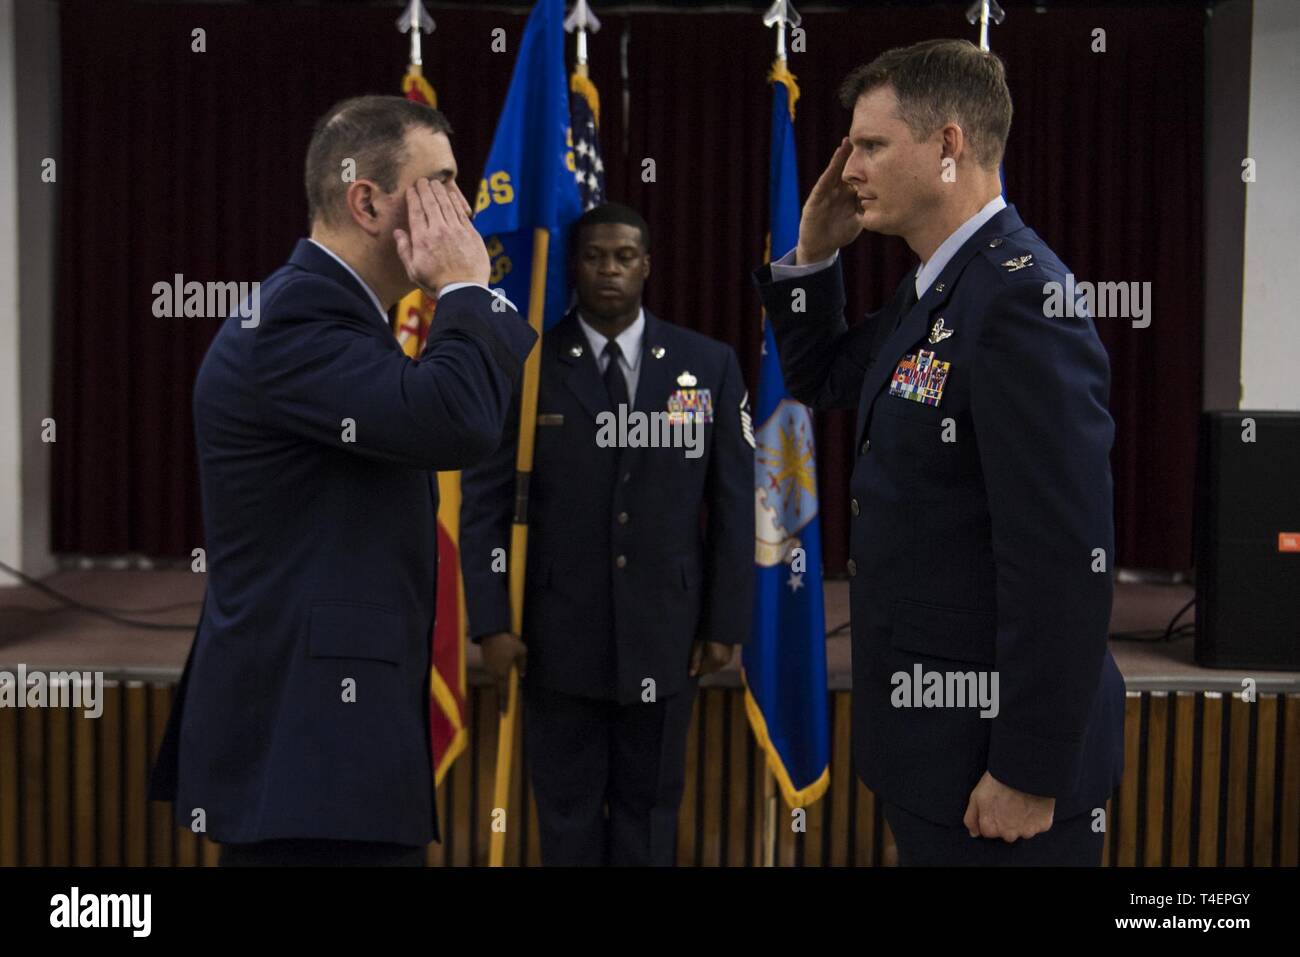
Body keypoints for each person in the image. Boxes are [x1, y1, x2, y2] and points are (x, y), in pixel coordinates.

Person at [755, 39, 1125, 865]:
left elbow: (1065, 558)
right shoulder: (941, 284)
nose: (848, 166)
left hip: (998, 769)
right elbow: (820, 376)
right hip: (931, 750)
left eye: (872, 145)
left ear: (949, 145)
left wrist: (1029, 769)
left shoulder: (1022, 301)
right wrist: (814, 254)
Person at [148, 95, 537, 866]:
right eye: (442, 185)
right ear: (367, 200)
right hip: (309, 749)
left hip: (330, 748)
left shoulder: (341, 318)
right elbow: (455, 420)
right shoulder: (298, 321)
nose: (462, 211)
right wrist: (462, 286)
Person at [459, 203, 755, 866]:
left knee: (649, 819)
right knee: (565, 818)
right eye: (595, 256)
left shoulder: (705, 366)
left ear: (647, 264)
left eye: (625, 256)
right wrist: (490, 619)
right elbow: (484, 502)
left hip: (667, 637)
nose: (610, 270)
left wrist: (723, 622)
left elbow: (735, 506)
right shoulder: (528, 368)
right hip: (555, 639)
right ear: (575, 265)